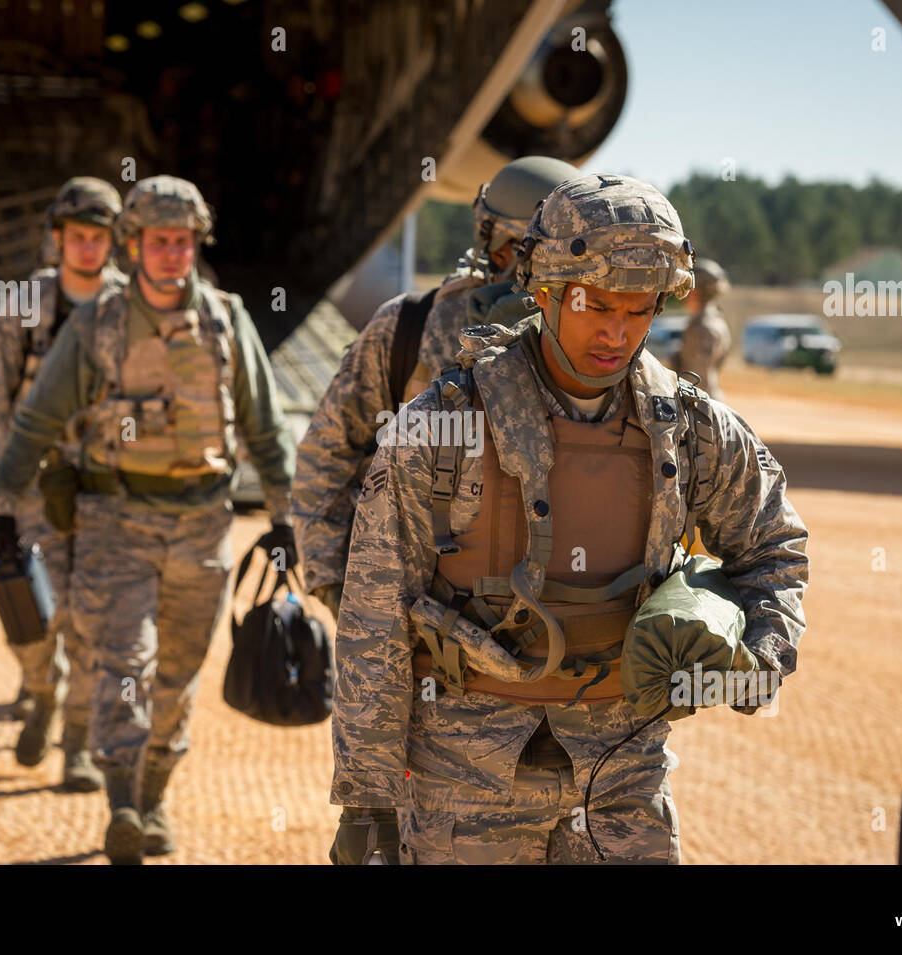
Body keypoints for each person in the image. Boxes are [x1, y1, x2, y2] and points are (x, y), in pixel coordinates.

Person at [328, 173, 809, 864]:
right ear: (546, 288)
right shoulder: (441, 425)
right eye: (596, 304)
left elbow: (774, 544)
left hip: (622, 776)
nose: (617, 332)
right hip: (463, 784)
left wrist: (760, 652)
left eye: (640, 309)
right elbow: (374, 614)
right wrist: (368, 800)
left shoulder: (690, 427)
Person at [0, 175, 296, 864]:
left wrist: (285, 519)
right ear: (133, 245)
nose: (172, 254)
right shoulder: (96, 322)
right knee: (121, 662)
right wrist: (2, 504)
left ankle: (155, 796)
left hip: (204, 527)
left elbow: (265, 426)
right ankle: (122, 800)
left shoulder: (225, 318)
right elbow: (36, 418)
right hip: (114, 521)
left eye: (184, 242)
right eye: (159, 241)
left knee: (176, 675)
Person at [293, 156, 578, 619]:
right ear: (498, 247)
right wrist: (336, 583)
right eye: (529, 255)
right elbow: (327, 451)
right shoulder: (411, 327)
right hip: (413, 615)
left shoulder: (602, 351)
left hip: (551, 621)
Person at [0, 177, 126, 784]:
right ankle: (42, 685)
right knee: (25, 605)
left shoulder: (126, 305)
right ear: (57, 238)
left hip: (103, 489)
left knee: (91, 617)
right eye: (77, 236)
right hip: (31, 483)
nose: (87, 248)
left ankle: (77, 742)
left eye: (98, 238)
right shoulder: (28, 303)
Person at [676, 257, 732, 400]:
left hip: (700, 406)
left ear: (695, 291)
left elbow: (698, 379)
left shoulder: (704, 329)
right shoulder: (716, 321)